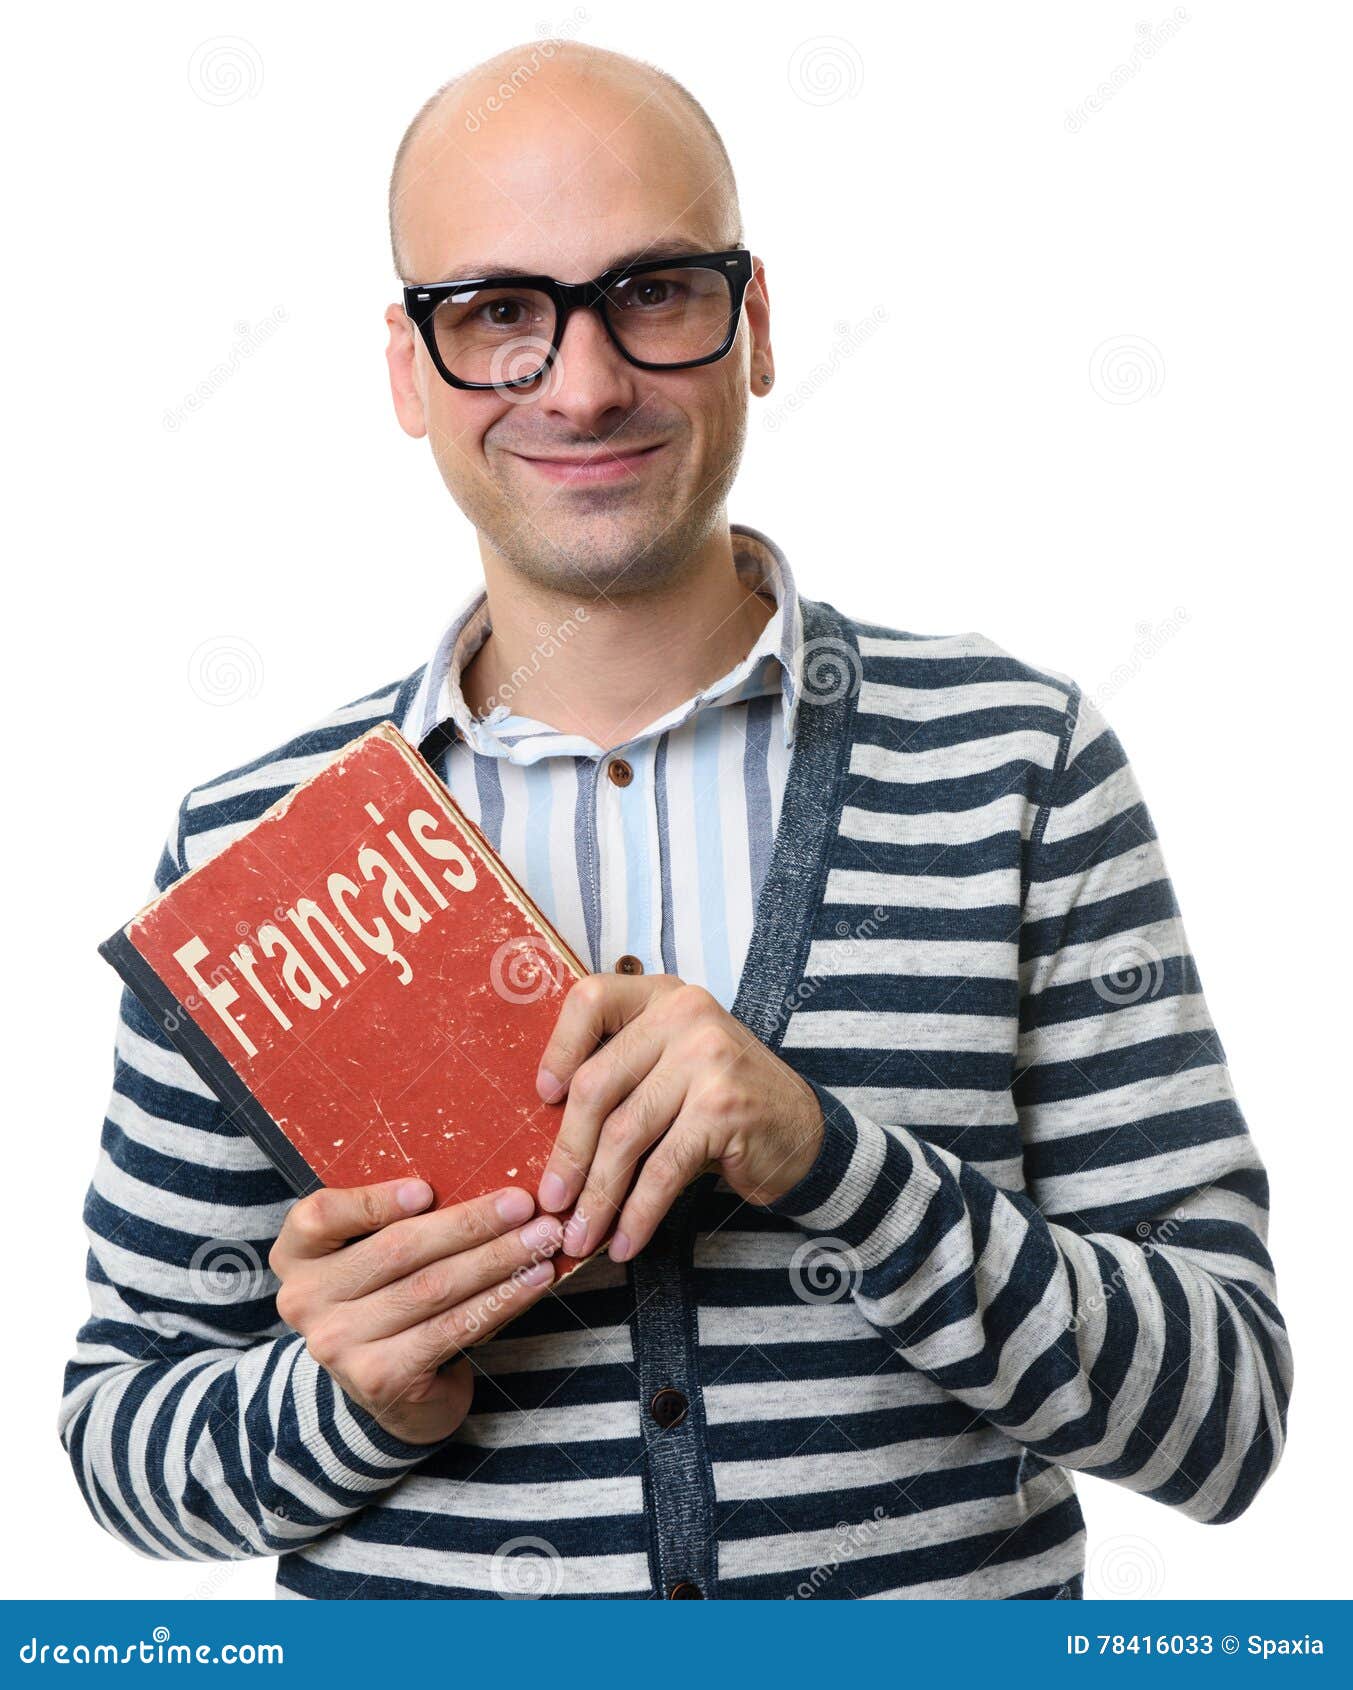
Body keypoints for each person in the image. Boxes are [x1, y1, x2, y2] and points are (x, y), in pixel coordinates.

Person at [58, 40, 1291, 1600]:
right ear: (404, 365)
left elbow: (1226, 1415)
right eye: (498, 312)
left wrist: (829, 1155)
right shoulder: (261, 851)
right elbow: (122, 1438)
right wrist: (348, 1398)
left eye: (653, 290)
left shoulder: (1017, 763)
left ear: (754, 322)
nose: (581, 382)